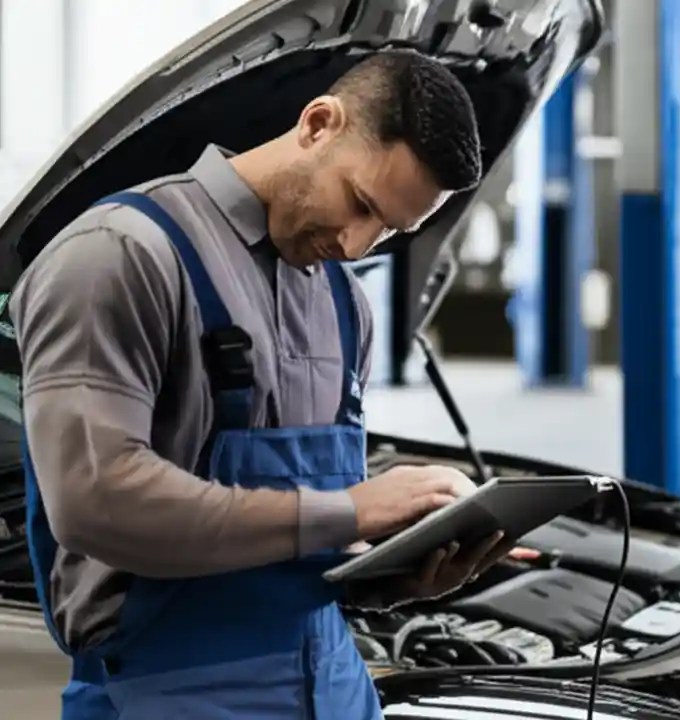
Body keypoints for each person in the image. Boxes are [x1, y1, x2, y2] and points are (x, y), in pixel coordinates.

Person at [10, 49, 509, 720]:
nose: (358, 245)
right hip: (170, 697)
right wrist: (356, 511)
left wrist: (393, 577)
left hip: (333, 686)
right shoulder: (118, 255)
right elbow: (96, 501)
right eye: (360, 203)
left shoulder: (343, 303)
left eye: (390, 229)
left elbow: (297, 548)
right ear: (317, 124)